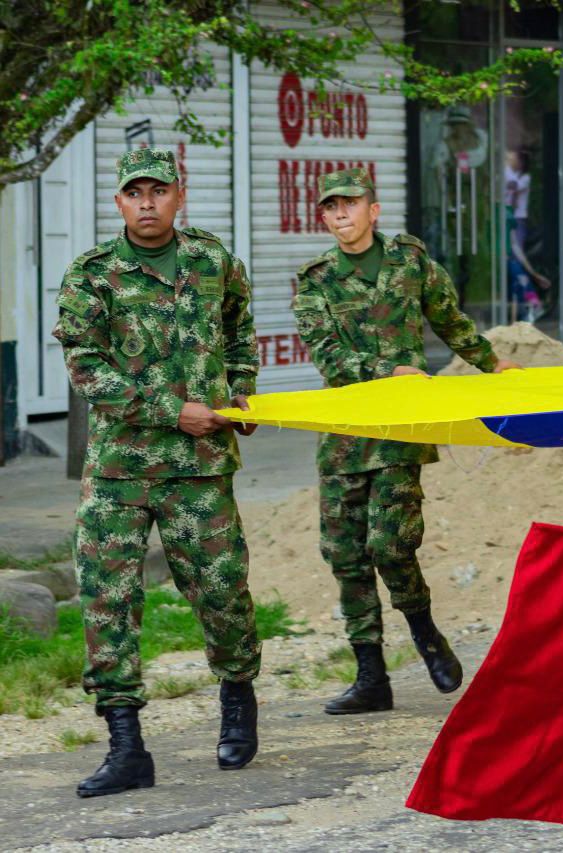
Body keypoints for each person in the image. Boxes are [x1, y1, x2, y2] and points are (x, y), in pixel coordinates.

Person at [52, 148, 262, 797]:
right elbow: (86, 367)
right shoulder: (91, 275)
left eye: (158, 190)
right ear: (119, 201)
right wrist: (174, 411)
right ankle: (126, 746)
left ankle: (237, 697)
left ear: (179, 194)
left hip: (199, 469)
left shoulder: (213, 261)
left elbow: (238, 332)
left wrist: (241, 392)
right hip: (119, 468)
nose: (147, 203)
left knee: (222, 593)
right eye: (134, 192)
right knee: (107, 601)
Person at [292, 168, 520, 715]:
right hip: (345, 433)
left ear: (373, 211)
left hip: (401, 431)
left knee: (391, 546)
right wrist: (387, 371)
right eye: (330, 207)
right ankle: (371, 676)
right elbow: (327, 355)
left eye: (350, 203)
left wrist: (494, 366)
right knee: (345, 555)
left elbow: (451, 321)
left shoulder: (411, 263)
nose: (340, 213)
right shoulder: (315, 281)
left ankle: (425, 634)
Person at [504, 149, 531, 249]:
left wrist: (506, 166)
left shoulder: (526, 177)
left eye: (516, 160)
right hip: (509, 214)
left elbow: (514, 185)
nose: (514, 162)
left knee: (517, 246)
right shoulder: (514, 174)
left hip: (519, 216)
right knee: (509, 246)